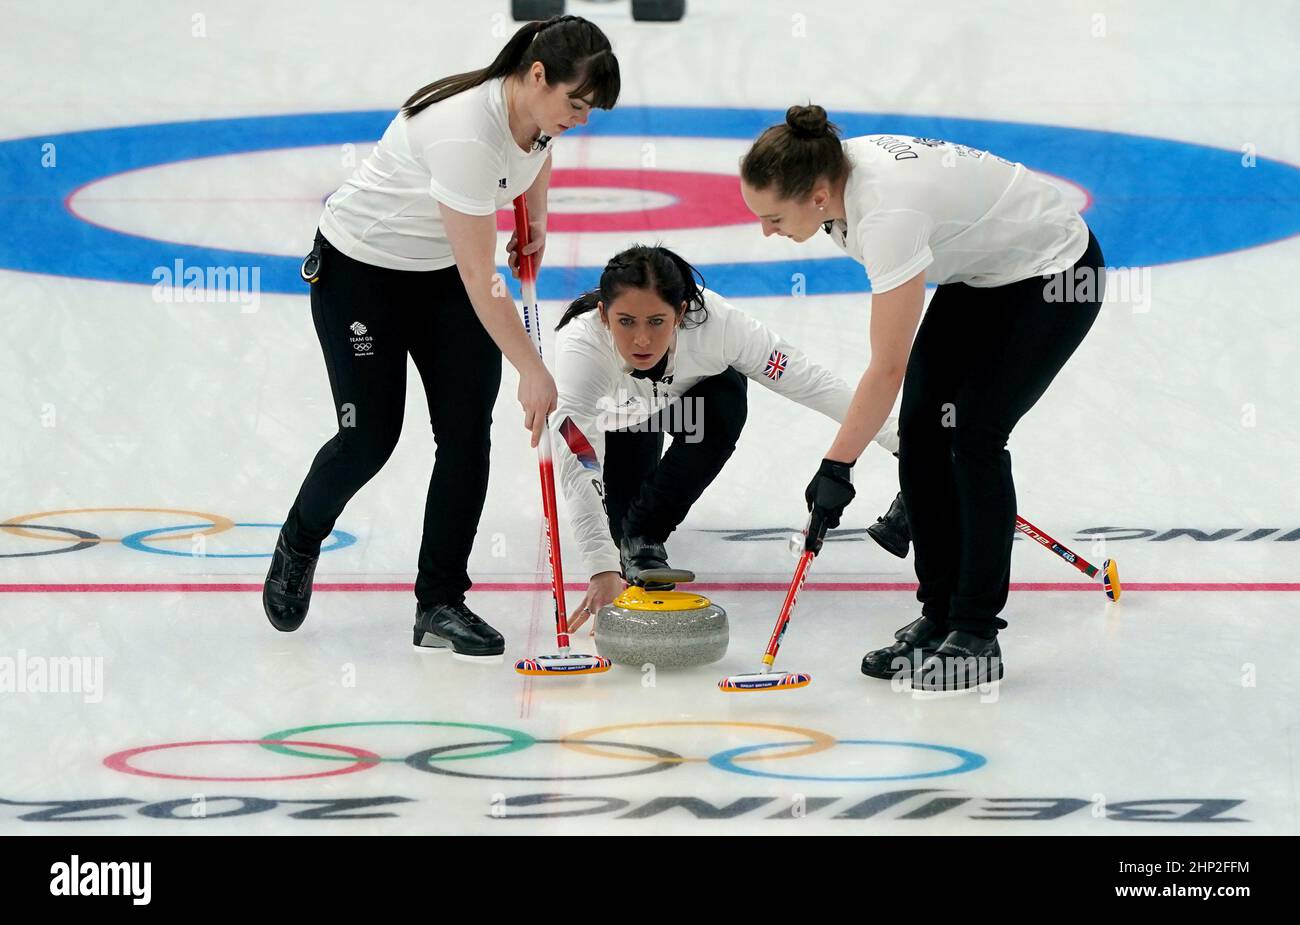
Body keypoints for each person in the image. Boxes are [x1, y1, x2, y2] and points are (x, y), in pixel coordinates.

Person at [262, 16, 620, 661]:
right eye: (576, 103)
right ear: (536, 75)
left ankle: (439, 602)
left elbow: (537, 146)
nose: (581, 120)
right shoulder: (464, 133)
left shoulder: (533, 110)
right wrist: (532, 368)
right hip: (363, 276)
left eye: (590, 110)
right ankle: (300, 540)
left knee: (464, 436)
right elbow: (483, 279)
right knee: (369, 436)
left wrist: (536, 214)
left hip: (442, 277)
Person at [741, 107, 1105, 690]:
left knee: (974, 441)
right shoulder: (830, 176)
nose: (765, 231)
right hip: (985, 270)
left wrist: (838, 464)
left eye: (773, 217)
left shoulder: (886, 214)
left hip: (1054, 273)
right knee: (923, 439)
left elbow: (887, 368)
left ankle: (976, 634)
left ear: (815, 195)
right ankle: (939, 617)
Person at [551, 244, 900, 632]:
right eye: (626, 322)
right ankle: (626, 535)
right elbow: (579, 460)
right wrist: (600, 568)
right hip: (620, 424)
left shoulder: (717, 325)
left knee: (726, 395)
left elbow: (808, 380)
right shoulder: (582, 349)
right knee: (612, 532)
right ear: (604, 315)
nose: (642, 341)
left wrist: (901, 440)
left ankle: (645, 534)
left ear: (681, 312)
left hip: (681, 408)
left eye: (656, 321)